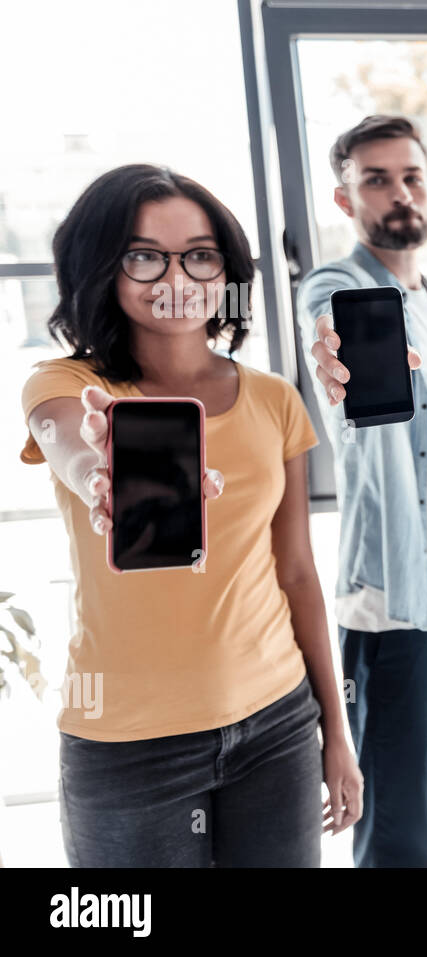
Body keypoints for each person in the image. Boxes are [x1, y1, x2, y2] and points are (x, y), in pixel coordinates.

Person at [20, 164, 362, 866]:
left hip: (276, 725)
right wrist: (101, 472)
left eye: (200, 255)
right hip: (126, 745)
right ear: (103, 266)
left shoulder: (274, 399)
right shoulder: (66, 386)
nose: (177, 279)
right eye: (144, 256)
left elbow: (297, 573)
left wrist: (337, 729)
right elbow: (69, 444)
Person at [299, 115, 427, 868]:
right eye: (375, 179)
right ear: (344, 199)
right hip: (391, 613)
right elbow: (326, 326)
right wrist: (334, 352)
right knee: (395, 828)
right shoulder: (339, 287)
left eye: (411, 176)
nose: (399, 193)